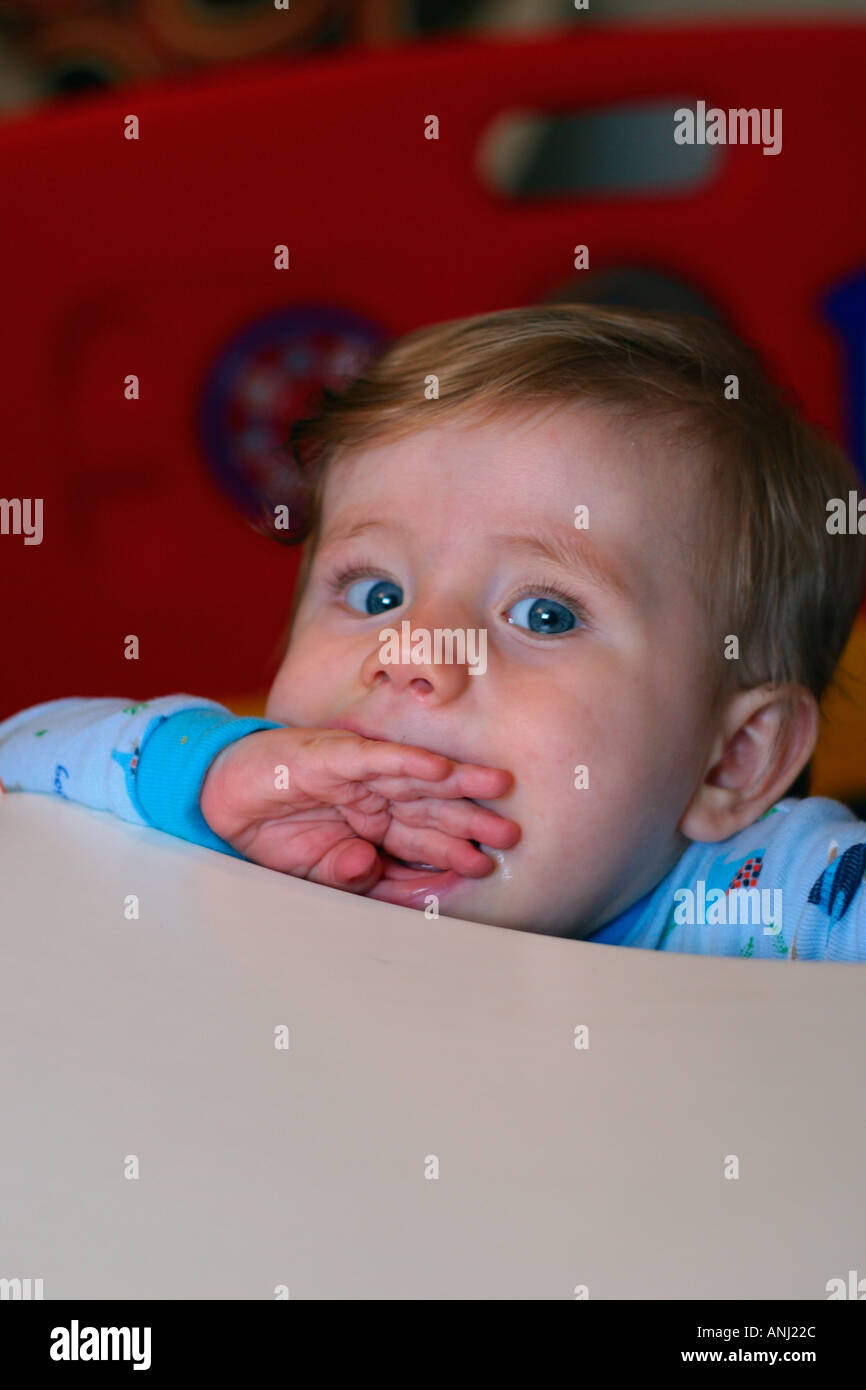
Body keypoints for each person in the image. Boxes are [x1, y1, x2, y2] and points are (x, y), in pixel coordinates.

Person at [3, 304, 866, 959]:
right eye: (377, 593)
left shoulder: (764, 908)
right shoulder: (253, 812)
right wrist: (211, 779)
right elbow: (22, 760)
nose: (412, 652)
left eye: (545, 614)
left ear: (732, 758)